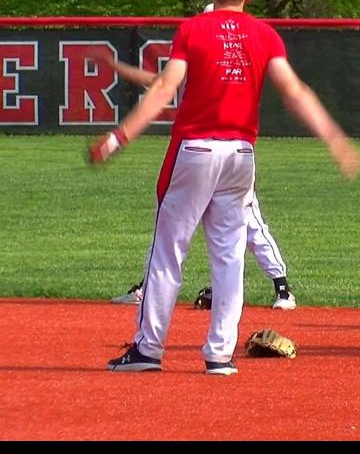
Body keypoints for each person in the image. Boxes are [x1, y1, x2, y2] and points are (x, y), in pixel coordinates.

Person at [91, 0, 359, 375]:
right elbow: (293, 90)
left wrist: (117, 137)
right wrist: (334, 138)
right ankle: (219, 354)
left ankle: (148, 350)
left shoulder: (193, 29)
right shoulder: (264, 34)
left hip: (195, 149)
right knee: (230, 253)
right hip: (241, 154)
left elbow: (165, 87)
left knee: (168, 250)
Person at [105, 42, 297, 311]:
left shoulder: (222, 64)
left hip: (218, 150)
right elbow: (157, 81)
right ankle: (148, 286)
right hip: (214, 152)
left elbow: (158, 83)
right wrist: (117, 66)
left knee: (245, 222)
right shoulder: (209, 61)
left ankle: (282, 286)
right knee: (179, 225)